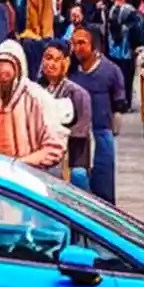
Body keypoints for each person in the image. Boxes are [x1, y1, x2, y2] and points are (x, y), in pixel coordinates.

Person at [0, 40, 67, 173]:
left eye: (8, 69)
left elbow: (55, 147)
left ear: (18, 70)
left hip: (29, 179)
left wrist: (19, 165)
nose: (3, 73)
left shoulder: (36, 98)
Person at [69, 26, 127, 204]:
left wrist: (113, 127)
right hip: (76, 135)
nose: (77, 48)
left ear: (94, 46)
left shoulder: (111, 71)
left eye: (82, 43)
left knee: (104, 187)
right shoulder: (70, 71)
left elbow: (119, 102)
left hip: (102, 133)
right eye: (74, 43)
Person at [40, 39, 94, 190]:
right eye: (48, 58)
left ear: (66, 62)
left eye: (57, 60)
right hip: (45, 152)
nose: (50, 64)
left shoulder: (77, 93)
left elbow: (82, 128)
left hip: (74, 155)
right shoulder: (37, 90)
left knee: (78, 177)